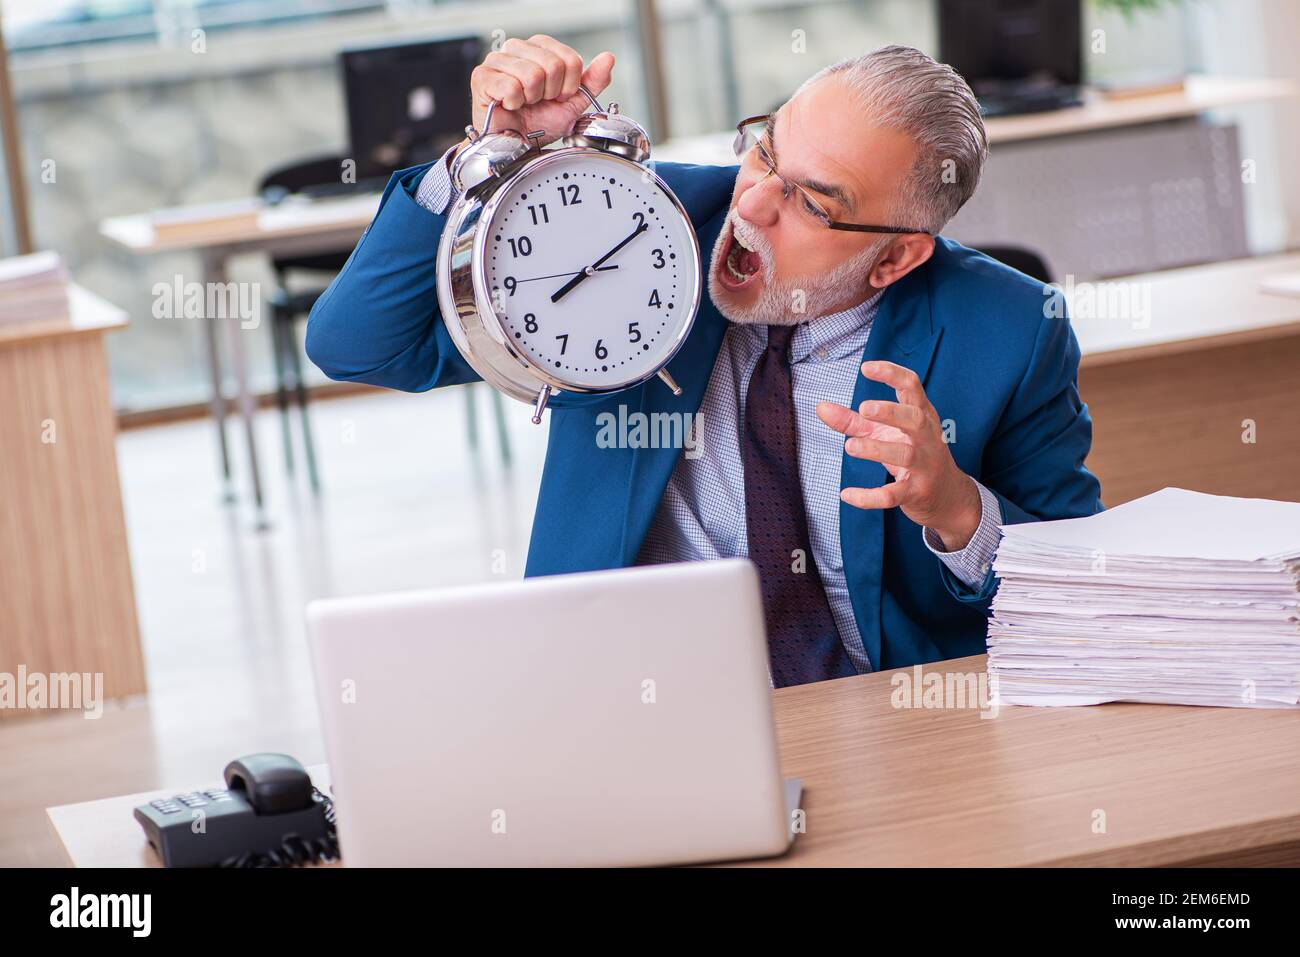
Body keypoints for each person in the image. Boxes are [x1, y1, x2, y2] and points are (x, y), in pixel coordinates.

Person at [306, 36, 1102, 686]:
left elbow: (1085, 598)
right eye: (764, 152)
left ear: (895, 259)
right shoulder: (634, 219)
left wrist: (959, 509)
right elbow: (361, 344)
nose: (752, 205)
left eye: (812, 203)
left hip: (890, 722)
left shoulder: (1011, 329)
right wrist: (487, 155)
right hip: (620, 709)